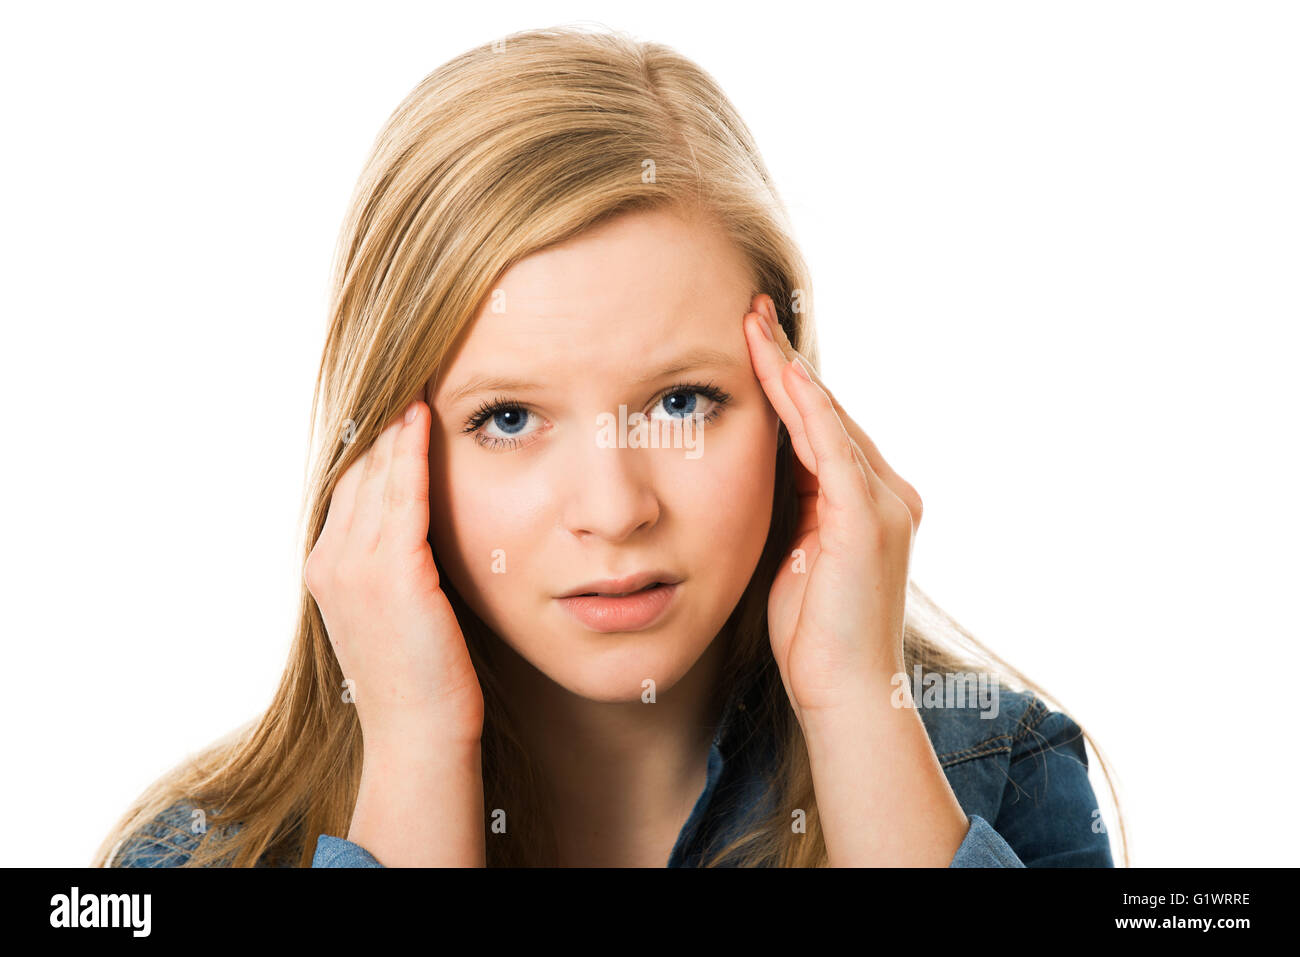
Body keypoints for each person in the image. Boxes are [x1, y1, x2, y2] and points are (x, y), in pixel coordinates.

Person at [96, 25, 1124, 868]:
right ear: (380, 456)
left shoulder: (1003, 770)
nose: (614, 506)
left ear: (792, 414)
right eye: (506, 419)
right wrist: (412, 753)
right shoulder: (198, 857)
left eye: (682, 401)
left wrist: (859, 706)